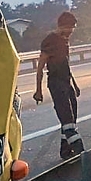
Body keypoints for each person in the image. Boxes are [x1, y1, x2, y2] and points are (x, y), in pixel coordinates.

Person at [33, 12, 84, 159]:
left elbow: (65, 64)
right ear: (61, 26)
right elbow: (40, 67)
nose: (71, 31)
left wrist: (74, 84)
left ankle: (66, 151)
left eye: (73, 28)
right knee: (67, 120)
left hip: (67, 83)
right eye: (69, 28)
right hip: (56, 83)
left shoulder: (64, 40)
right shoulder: (50, 41)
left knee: (71, 119)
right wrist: (38, 90)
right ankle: (82, 153)